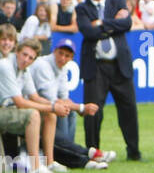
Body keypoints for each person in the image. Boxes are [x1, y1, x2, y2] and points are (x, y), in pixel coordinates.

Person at [76, 0, 142, 160]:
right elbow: (88, 32)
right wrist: (113, 23)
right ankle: (93, 151)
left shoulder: (118, 1)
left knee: (128, 109)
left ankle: (134, 151)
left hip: (119, 65)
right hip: (95, 67)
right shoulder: (82, 8)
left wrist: (101, 24)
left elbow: (127, 24)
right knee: (93, 111)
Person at [0, 25, 56, 173]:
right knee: (32, 115)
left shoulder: (23, 69)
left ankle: (49, 162)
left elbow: (34, 97)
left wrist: (57, 105)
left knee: (48, 114)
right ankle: (36, 167)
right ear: (17, 51)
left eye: (30, 58)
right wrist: (52, 107)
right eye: (24, 55)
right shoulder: (5, 66)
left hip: (1, 109)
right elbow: (20, 102)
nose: (26, 60)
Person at [21, 37, 110, 165]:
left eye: (67, 56)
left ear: (71, 58)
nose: (62, 58)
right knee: (61, 111)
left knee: (68, 111)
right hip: (36, 108)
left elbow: (63, 98)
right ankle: (83, 153)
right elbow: (51, 100)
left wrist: (78, 107)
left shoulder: (62, 68)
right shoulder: (43, 65)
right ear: (54, 51)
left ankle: (72, 151)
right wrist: (81, 108)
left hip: (41, 107)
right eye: (61, 53)